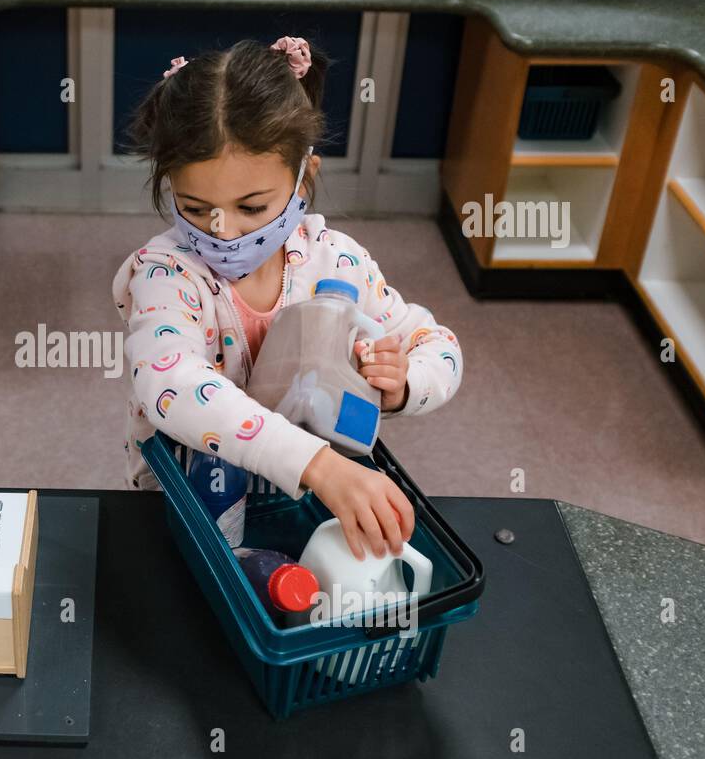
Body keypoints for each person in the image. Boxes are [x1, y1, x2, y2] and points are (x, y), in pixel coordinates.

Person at [113, 36, 462, 559]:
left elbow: (437, 344)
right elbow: (172, 384)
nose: (224, 231)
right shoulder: (165, 273)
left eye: (252, 207)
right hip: (191, 503)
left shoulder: (336, 261)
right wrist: (318, 464)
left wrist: (403, 383)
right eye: (195, 206)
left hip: (304, 503)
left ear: (304, 180)